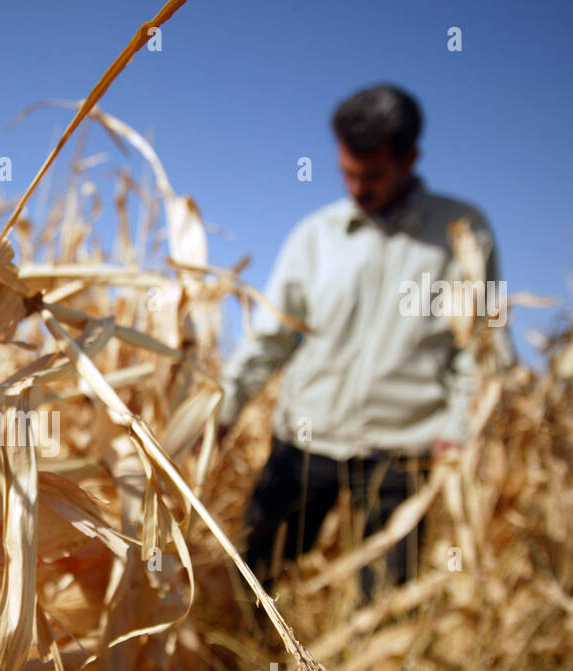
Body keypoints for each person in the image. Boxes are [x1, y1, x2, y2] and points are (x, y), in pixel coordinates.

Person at [216, 84, 515, 603]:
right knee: (254, 583)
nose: (357, 188)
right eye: (347, 173)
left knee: (382, 606)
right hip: (305, 440)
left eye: (373, 175)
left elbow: (483, 348)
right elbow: (270, 338)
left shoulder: (464, 233)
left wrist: (458, 428)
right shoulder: (316, 236)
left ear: (411, 158)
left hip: (403, 452)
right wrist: (221, 408)